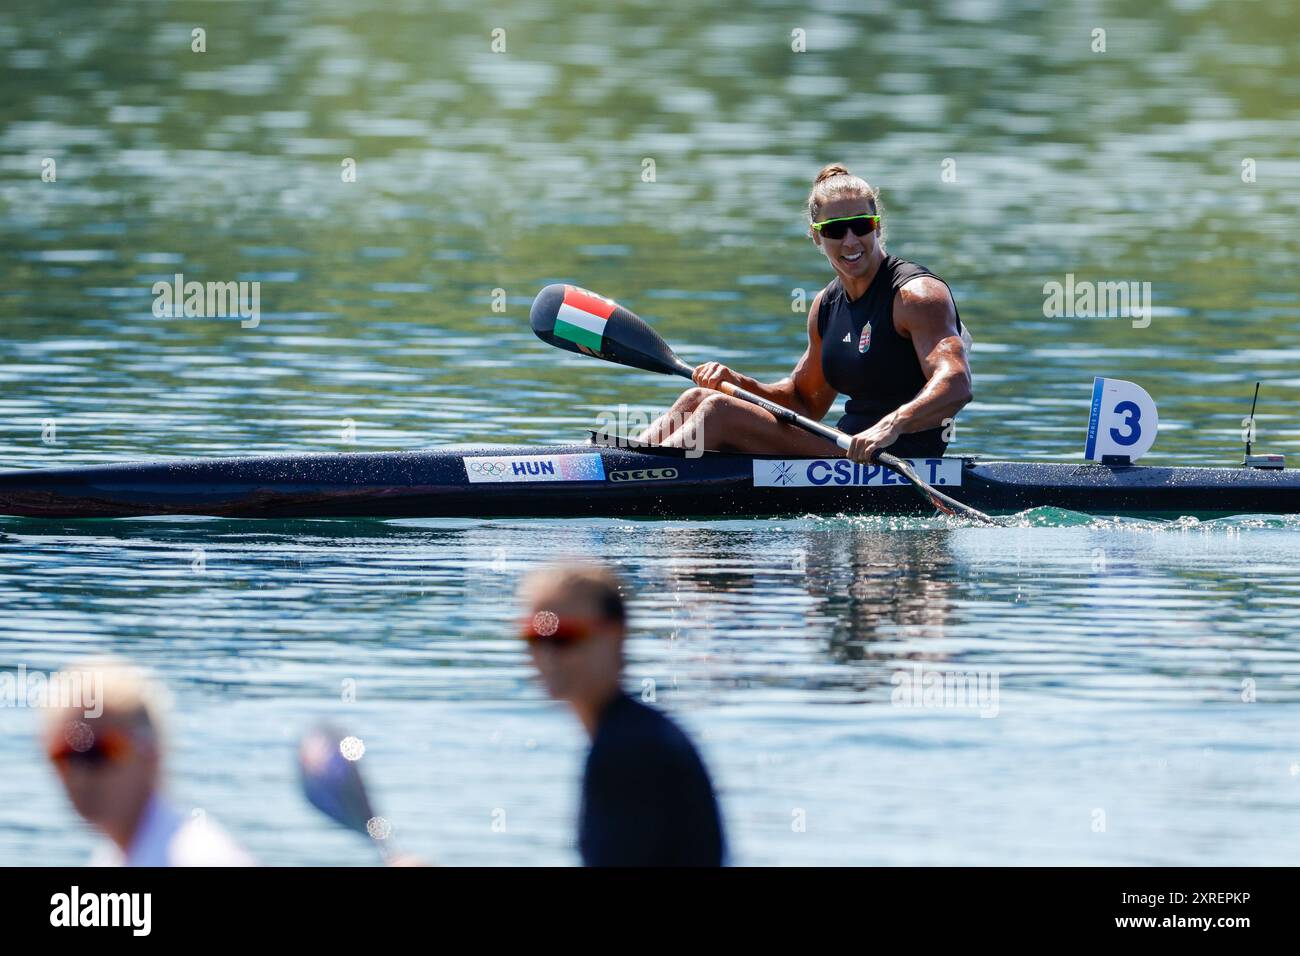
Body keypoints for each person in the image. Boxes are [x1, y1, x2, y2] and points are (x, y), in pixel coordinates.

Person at [639, 162, 972, 462]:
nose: (851, 240)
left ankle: (637, 480)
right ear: (816, 235)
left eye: (861, 225)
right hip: (844, 445)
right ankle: (613, 464)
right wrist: (736, 381)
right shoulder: (826, 305)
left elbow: (956, 383)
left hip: (893, 456)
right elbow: (804, 402)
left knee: (717, 411)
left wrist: (891, 426)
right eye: (835, 230)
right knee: (698, 397)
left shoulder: (916, 295)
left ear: (878, 227)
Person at [519, 563, 725, 866]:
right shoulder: (640, 732)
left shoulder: (627, 752)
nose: (547, 655)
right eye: (535, 637)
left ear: (614, 635)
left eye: (563, 637)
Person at [42, 658, 255, 866]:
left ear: (150, 754)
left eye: (96, 753)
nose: (78, 777)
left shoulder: (201, 859)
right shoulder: (111, 857)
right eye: (64, 755)